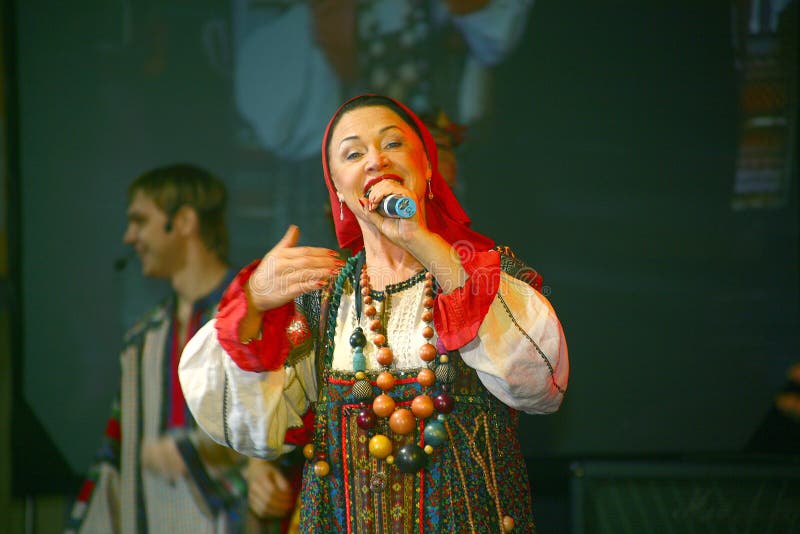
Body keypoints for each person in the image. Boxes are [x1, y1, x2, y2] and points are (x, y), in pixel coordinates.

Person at [179, 95, 569, 532]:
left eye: (393, 144)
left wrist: (422, 242)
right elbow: (253, 431)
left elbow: (540, 386)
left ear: (426, 168)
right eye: (353, 152)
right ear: (339, 190)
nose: (375, 160)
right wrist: (249, 304)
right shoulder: (322, 301)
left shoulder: (484, 279)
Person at [65, 164, 300, 533]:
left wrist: (249, 466)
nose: (129, 236)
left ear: (185, 221)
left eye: (140, 221)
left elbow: (289, 429)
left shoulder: (260, 321)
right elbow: (115, 455)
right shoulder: (142, 341)